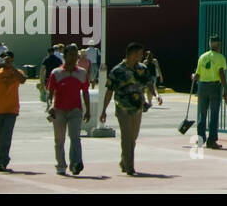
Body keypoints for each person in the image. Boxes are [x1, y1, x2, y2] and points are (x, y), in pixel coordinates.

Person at [100, 42, 155, 176]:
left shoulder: (142, 69)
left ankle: (124, 160)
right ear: (132, 54)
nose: (142, 56)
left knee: (133, 137)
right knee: (126, 137)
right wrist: (103, 110)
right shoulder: (117, 70)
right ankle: (130, 167)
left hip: (137, 107)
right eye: (140, 53)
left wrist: (155, 95)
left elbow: (149, 84)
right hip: (122, 107)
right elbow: (109, 90)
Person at [48, 43, 91, 176]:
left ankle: (75, 163)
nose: (73, 57)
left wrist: (88, 110)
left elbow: (85, 92)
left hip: (75, 110)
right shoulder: (56, 73)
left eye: (75, 54)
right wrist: (50, 106)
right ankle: (61, 165)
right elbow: (50, 92)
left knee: (75, 137)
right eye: (71, 54)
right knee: (59, 140)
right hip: (59, 110)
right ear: (65, 55)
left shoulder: (82, 73)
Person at [191, 36, 227, 149]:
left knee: (202, 114)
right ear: (219, 45)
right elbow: (221, 73)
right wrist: (226, 89)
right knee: (214, 114)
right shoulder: (220, 57)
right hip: (214, 86)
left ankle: (201, 139)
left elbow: (197, 75)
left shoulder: (202, 57)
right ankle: (212, 140)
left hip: (202, 86)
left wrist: (193, 77)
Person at [0, 50, 26, 172]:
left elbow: (23, 80)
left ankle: (3, 161)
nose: (6, 60)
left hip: (11, 110)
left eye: (8, 58)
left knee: (6, 136)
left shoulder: (17, 72)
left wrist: (12, 68)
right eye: (3, 58)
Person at [39, 45, 63, 114]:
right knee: (56, 92)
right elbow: (62, 68)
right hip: (57, 78)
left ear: (48, 52)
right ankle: (56, 105)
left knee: (48, 92)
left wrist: (41, 80)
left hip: (48, 78)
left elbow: (42, 70)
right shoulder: (58, 59)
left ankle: (48, 105)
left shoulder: (46, 59)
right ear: (54, 52)